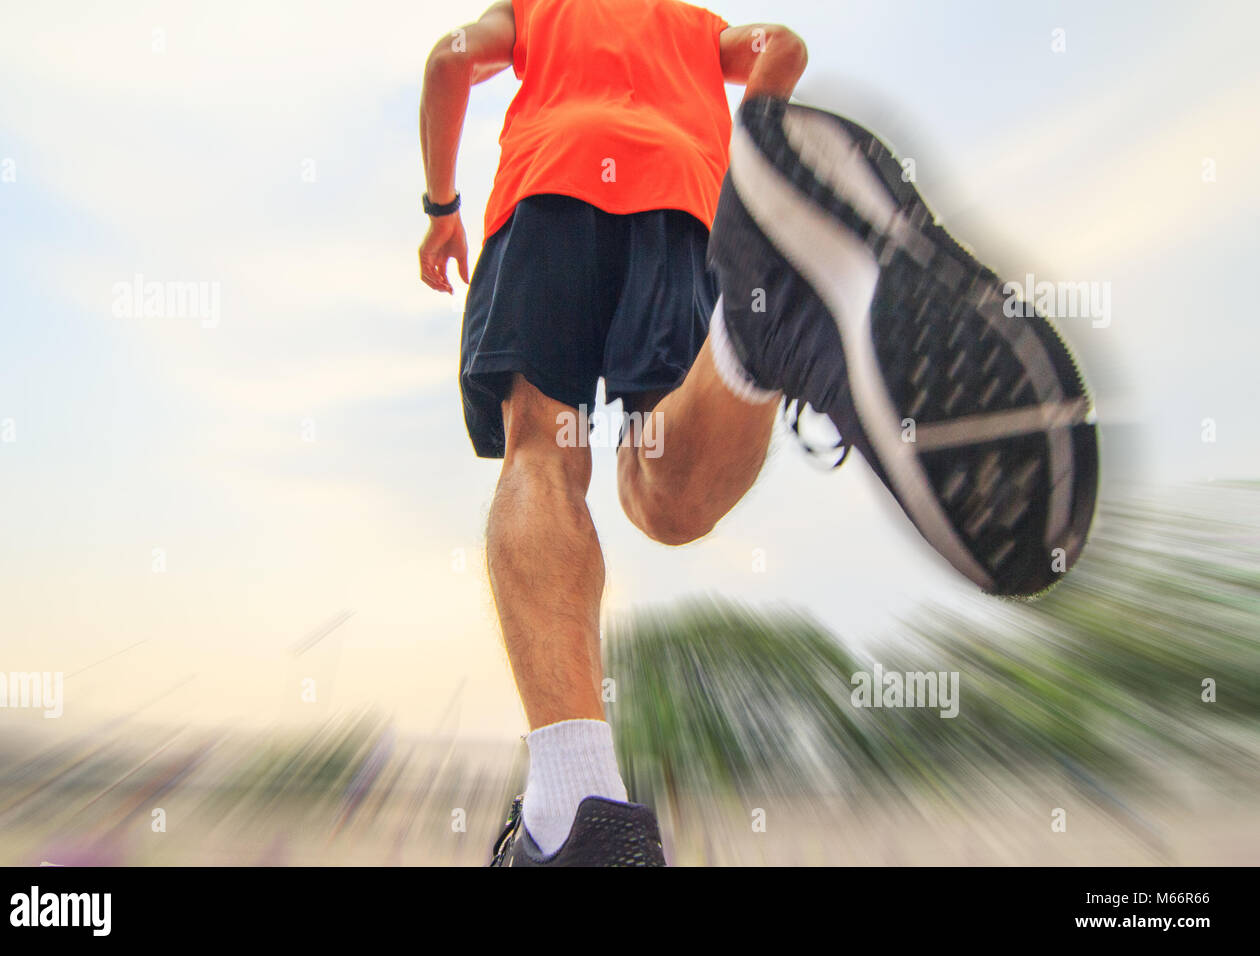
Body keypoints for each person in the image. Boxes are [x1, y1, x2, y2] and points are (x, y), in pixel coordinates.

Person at [417, 0, 1098, 867]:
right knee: (665, 499)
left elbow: (449, 61)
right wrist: (748, 165)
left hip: (549, 190)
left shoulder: (538, 9)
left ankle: (571, 810)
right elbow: (783, 45)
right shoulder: (690, 24)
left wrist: (440, 207)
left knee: (541, 453)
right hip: (682, 209)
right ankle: (749, 342)